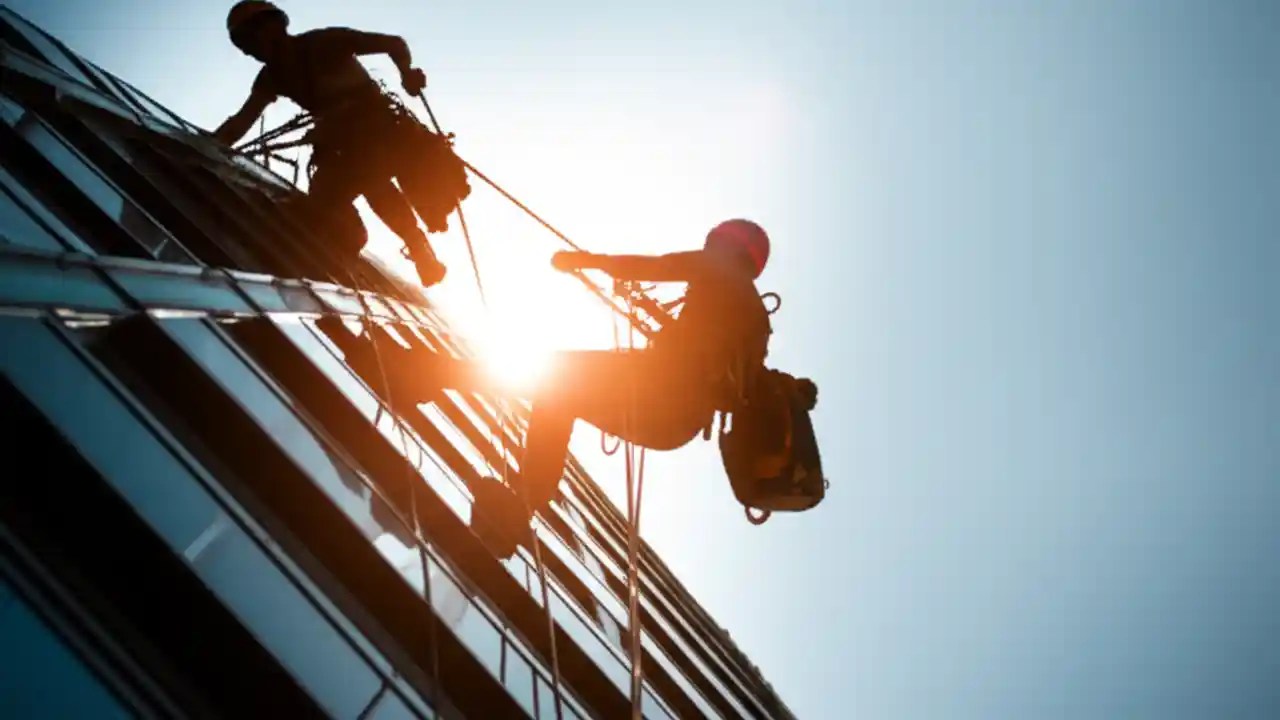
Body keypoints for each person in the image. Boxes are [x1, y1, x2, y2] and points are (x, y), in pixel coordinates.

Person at [324, 219, 776, 557]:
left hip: (657, 390)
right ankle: (517, 509)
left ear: (727, 242)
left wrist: (586, 262)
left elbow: (655, 266)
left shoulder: (719, 269)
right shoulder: (755, 319)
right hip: (674, 424)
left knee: (551, 374)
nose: (705, 245)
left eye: (712, 240)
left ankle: (412, 376)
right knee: (558, 394)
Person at [213, 0, 468, 287]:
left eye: (250, 40)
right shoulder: (272, 78)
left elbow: (394, 44)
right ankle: (382, 243)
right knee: (326, 196)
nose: (250, 51)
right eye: (244, 47)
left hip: (384, 131)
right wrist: (207, 144)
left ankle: (417, 245)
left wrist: (406, 73)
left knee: (369, 174)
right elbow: (242, 120)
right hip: (344, 145)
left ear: (273, 27)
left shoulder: (327, 42)